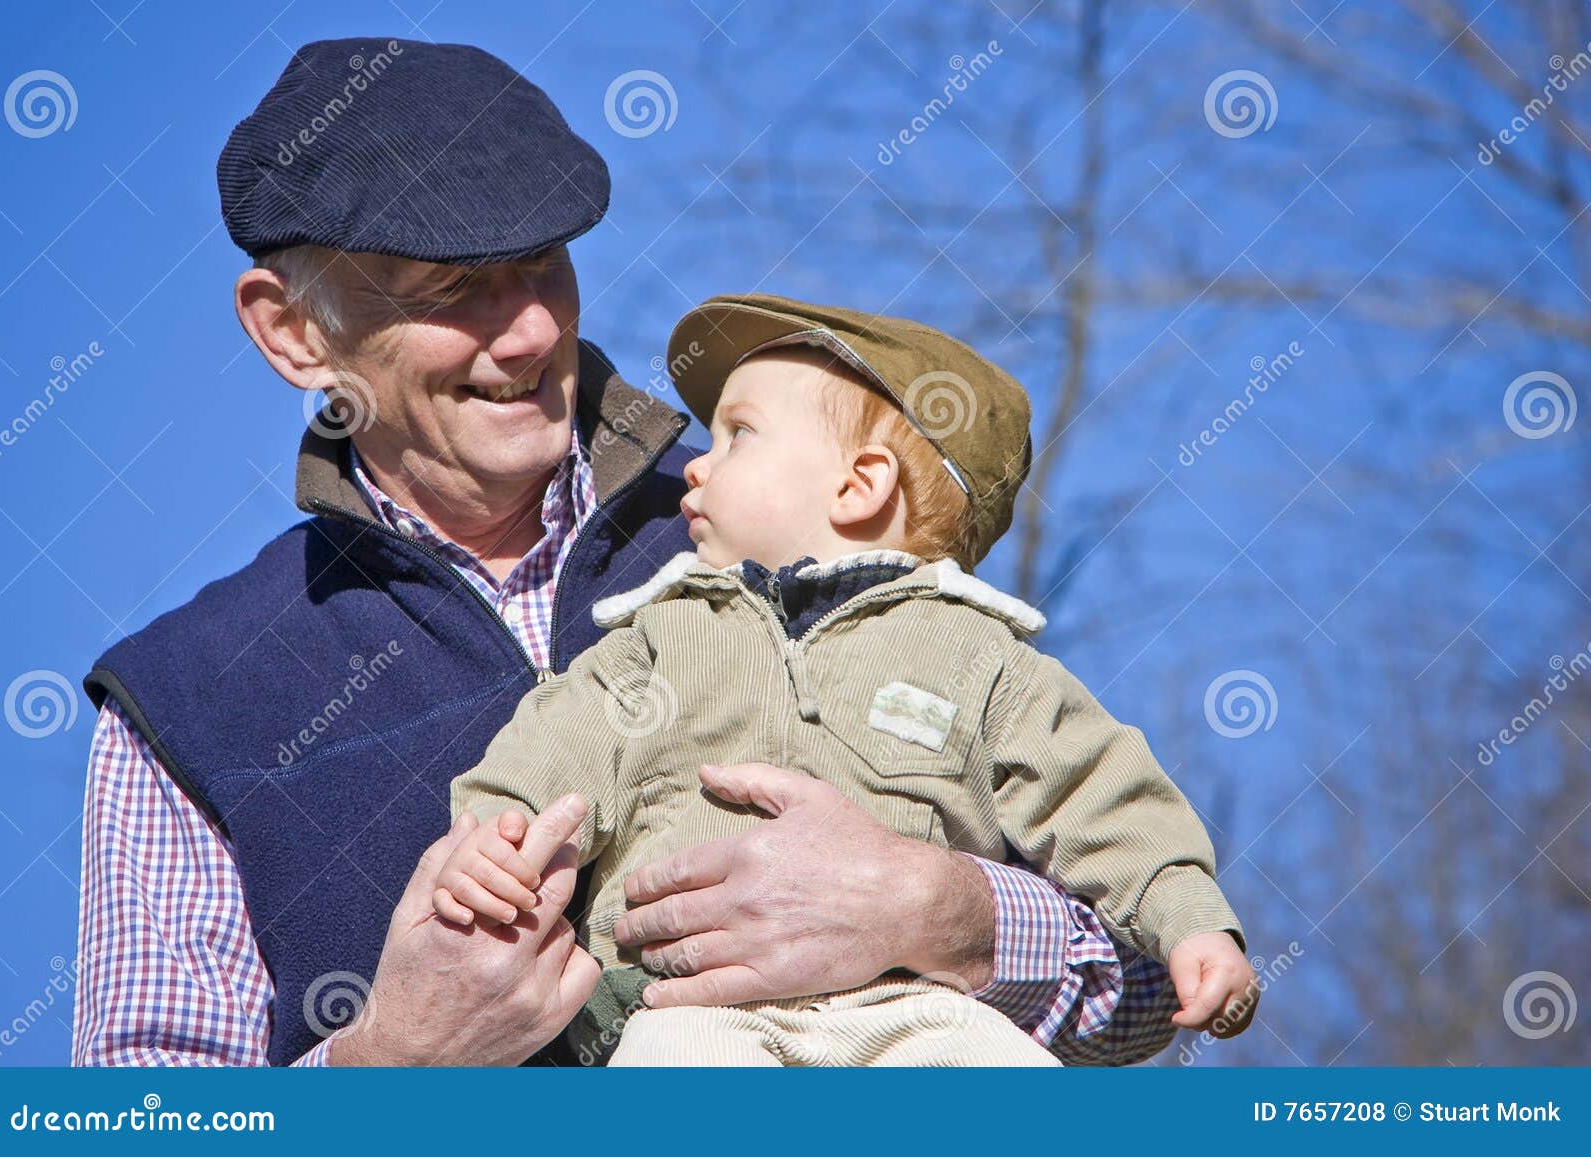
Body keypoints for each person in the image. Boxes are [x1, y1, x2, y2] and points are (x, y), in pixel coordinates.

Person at [73, 38, 1190, 1068]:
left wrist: (953, 916)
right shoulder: (188, 699)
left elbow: (1160, 975)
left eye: (541, 264)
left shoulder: (810, 529)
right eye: (452, 287)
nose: (528, 331)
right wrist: (386, 1064)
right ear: (293, 330)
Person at [438, 295, 1257, 1065]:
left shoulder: (981, 658)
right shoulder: (662, 632)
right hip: (687, 1000)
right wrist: (492, 836)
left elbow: (1100, 793)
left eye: (737, 435)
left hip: (921, 1005)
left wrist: (1190, 923)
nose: (695, 466)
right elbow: (557, 744)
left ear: (860, 485)